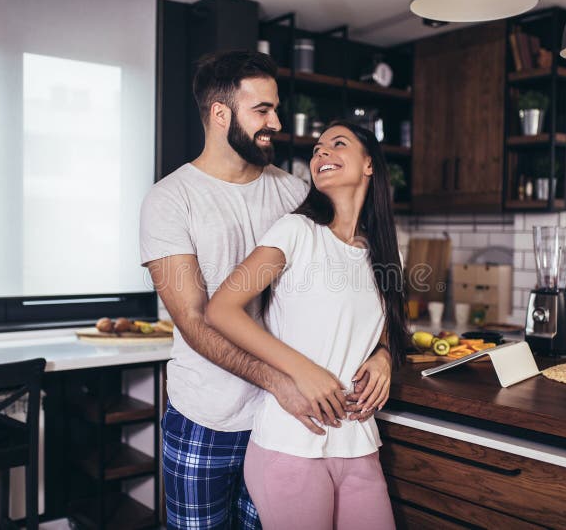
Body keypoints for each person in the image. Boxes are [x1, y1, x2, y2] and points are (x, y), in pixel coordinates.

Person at [140, 51, 392, 529]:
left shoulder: (297, 194)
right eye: (262, 110)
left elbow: (351, 292)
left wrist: (381, 352)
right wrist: (282, 381)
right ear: (220, 114)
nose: (275, 122)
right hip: (208, 416)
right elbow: (196, 320)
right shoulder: (170, 200)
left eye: (275, 109)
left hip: (289, 424)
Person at [205, 121, 409, 530]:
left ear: (369, 164)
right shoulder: (296, 231)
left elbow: (382, 323)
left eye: (338, 144)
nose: (321, 154)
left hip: (358, 444)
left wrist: (385, 355)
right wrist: (303, 371)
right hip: (292, 443)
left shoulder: (380, 250)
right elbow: (221, 309)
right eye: (317, 149)